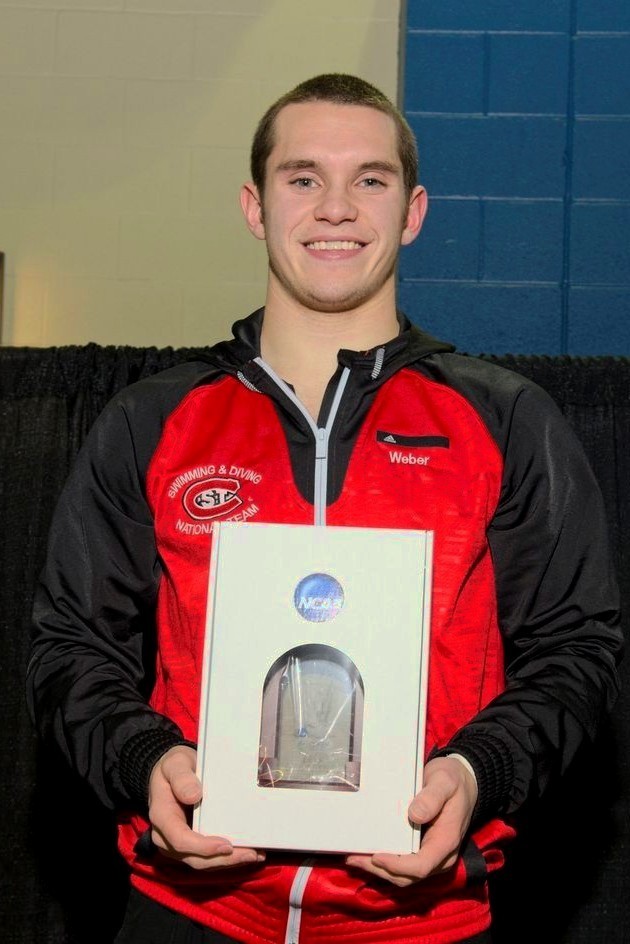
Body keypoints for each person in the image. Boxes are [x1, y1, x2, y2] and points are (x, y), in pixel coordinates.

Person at [27, 73, 623, 944]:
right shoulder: (153, 420)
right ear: (254, 206)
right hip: (189, 913)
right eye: (303, 178)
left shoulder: (505, 420)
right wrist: (144, 759)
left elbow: (577, 649)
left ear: (413, 211)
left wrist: (475, 770)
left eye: (370, 180)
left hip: (422, 920)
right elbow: (70, 643)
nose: (336, 207)